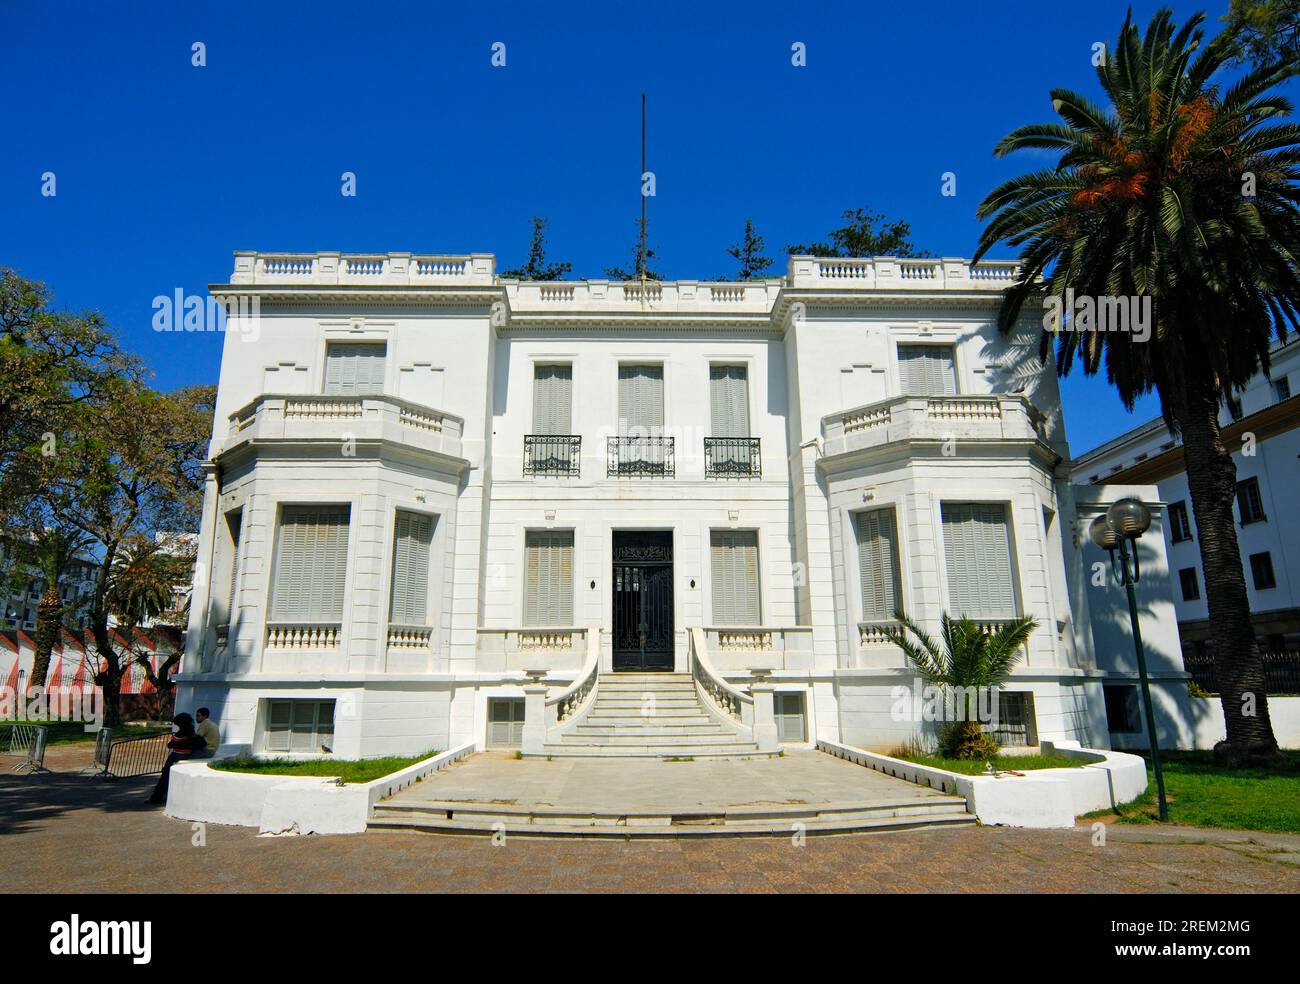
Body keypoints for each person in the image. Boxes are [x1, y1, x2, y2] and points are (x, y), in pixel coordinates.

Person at [146, 713, 207, 805]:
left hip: (176, 755)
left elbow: (170, 744)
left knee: (165, 776)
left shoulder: (180, 734)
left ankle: (157, 797)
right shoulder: (191, 733)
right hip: (186, 755)